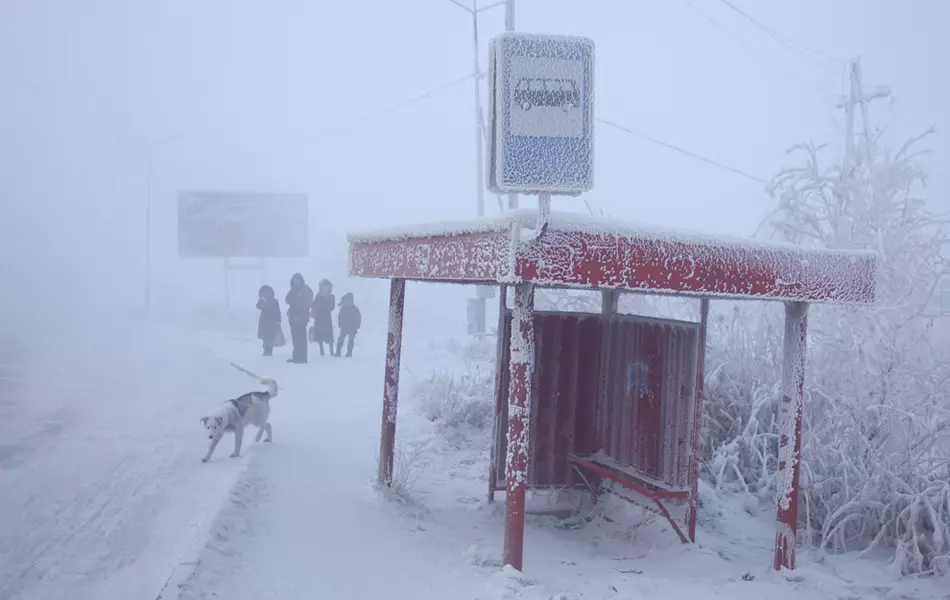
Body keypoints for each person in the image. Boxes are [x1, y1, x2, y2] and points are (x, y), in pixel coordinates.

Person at [284, 272, 314, 364]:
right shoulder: (293, 290)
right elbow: (287, 300)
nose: (296, 282)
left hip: (301, 317)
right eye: (294, 280)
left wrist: (299, 309)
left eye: (298, 280)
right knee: (295, 338)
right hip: (293, 317)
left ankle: (302, 358)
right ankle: (296, 356)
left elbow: (307, 302)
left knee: (301, 338)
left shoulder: (306, 289)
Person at [309, 279, 336, 356]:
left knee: (329, 336)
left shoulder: (331, 297)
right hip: (319, 318)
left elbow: (332, 307)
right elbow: (313, 305)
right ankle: (322, 351)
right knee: (319, 335)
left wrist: (325, 304)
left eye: (327, 287)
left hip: (327, 317)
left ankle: (331, 351)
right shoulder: (318, 296)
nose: (326, 289)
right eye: (324, 287)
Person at [256, 285, 281, 357]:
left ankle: (269, 351)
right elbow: (258, 306)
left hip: (271, 322)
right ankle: (266, 350)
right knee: (265, 337)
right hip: (264, 322)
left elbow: (277, 312)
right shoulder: (263, 300)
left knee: (270, 337)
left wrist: (278, 321)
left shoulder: (274, 301)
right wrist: (262, 299)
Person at [335, 292, 361, 358]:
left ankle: (348, 353)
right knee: (342, 339)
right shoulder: (344, 308)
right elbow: (340, 317)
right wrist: (340, 324)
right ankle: (339, 352)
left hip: (351, 327)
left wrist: (357, 326)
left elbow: (358, 318)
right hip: (345, 327)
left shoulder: (354, 309)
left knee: (349, 340)